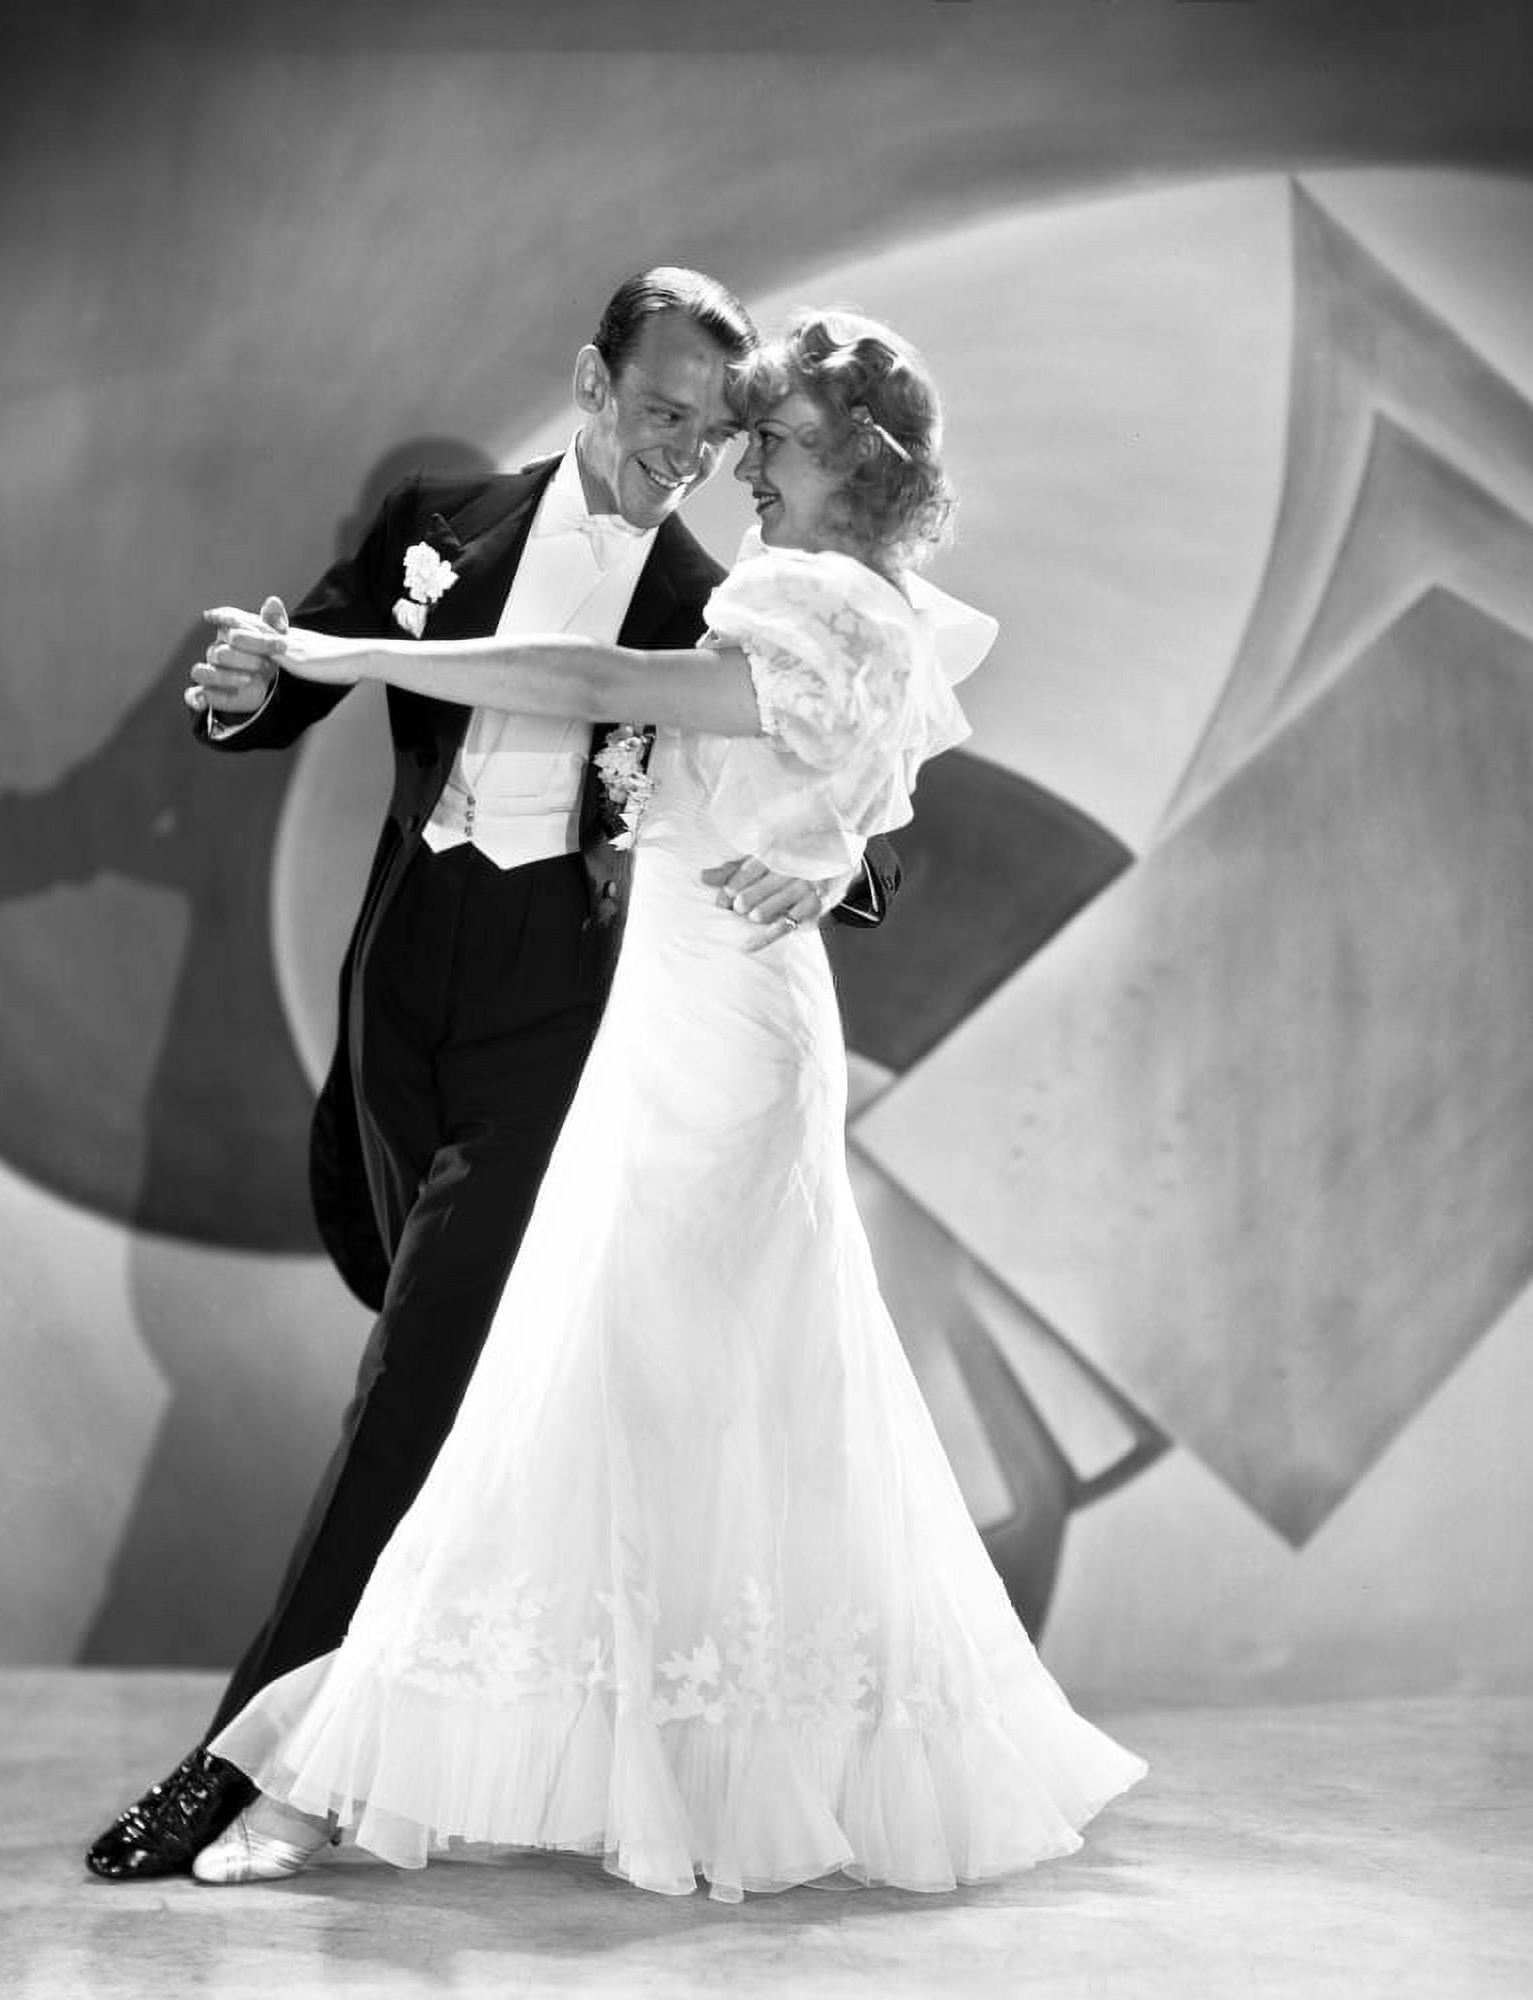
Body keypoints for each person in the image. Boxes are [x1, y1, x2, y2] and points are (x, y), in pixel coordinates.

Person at [190, 309, 1146, 1903]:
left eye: (762, 439)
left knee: (560, 1386)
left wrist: (353, 656)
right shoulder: (881, 610)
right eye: (720, 429)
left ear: (849, 462)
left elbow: (589, 678)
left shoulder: (786, 595)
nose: (733, 465)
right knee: (688, 1391)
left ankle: (339, 1768)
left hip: (707, 1038)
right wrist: (831, 838)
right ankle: (672, 1751)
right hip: (712, 1023)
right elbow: (845, 774)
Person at [85, 269, 901, 1881]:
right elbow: (300, 664)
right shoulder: (435, 523)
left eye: (708, 434)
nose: (678, 459)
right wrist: (249, 693)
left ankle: (239, 1768)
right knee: (443, 1373)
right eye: (657, 414)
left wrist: (836, 876)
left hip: (568, 1026)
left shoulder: (713, 598)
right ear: (589, 386)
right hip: (402, 996)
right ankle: (476, 1732)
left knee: (411, 1390)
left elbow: (846, 778)